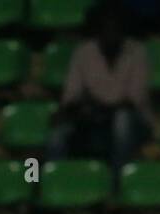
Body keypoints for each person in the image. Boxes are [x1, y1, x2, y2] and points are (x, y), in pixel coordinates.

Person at [46, 5, 153, 175]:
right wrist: (74, 109)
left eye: (115, 27)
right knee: (57, 134)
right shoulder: (83, 53)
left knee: (122, 120)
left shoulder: (137, 52)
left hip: (133, 121)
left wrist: (97, 106)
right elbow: (72, 95)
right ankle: (56, 182)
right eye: (105, 27)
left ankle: (118, 182)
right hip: (92, 117)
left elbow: (133, 99)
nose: (110, 32)